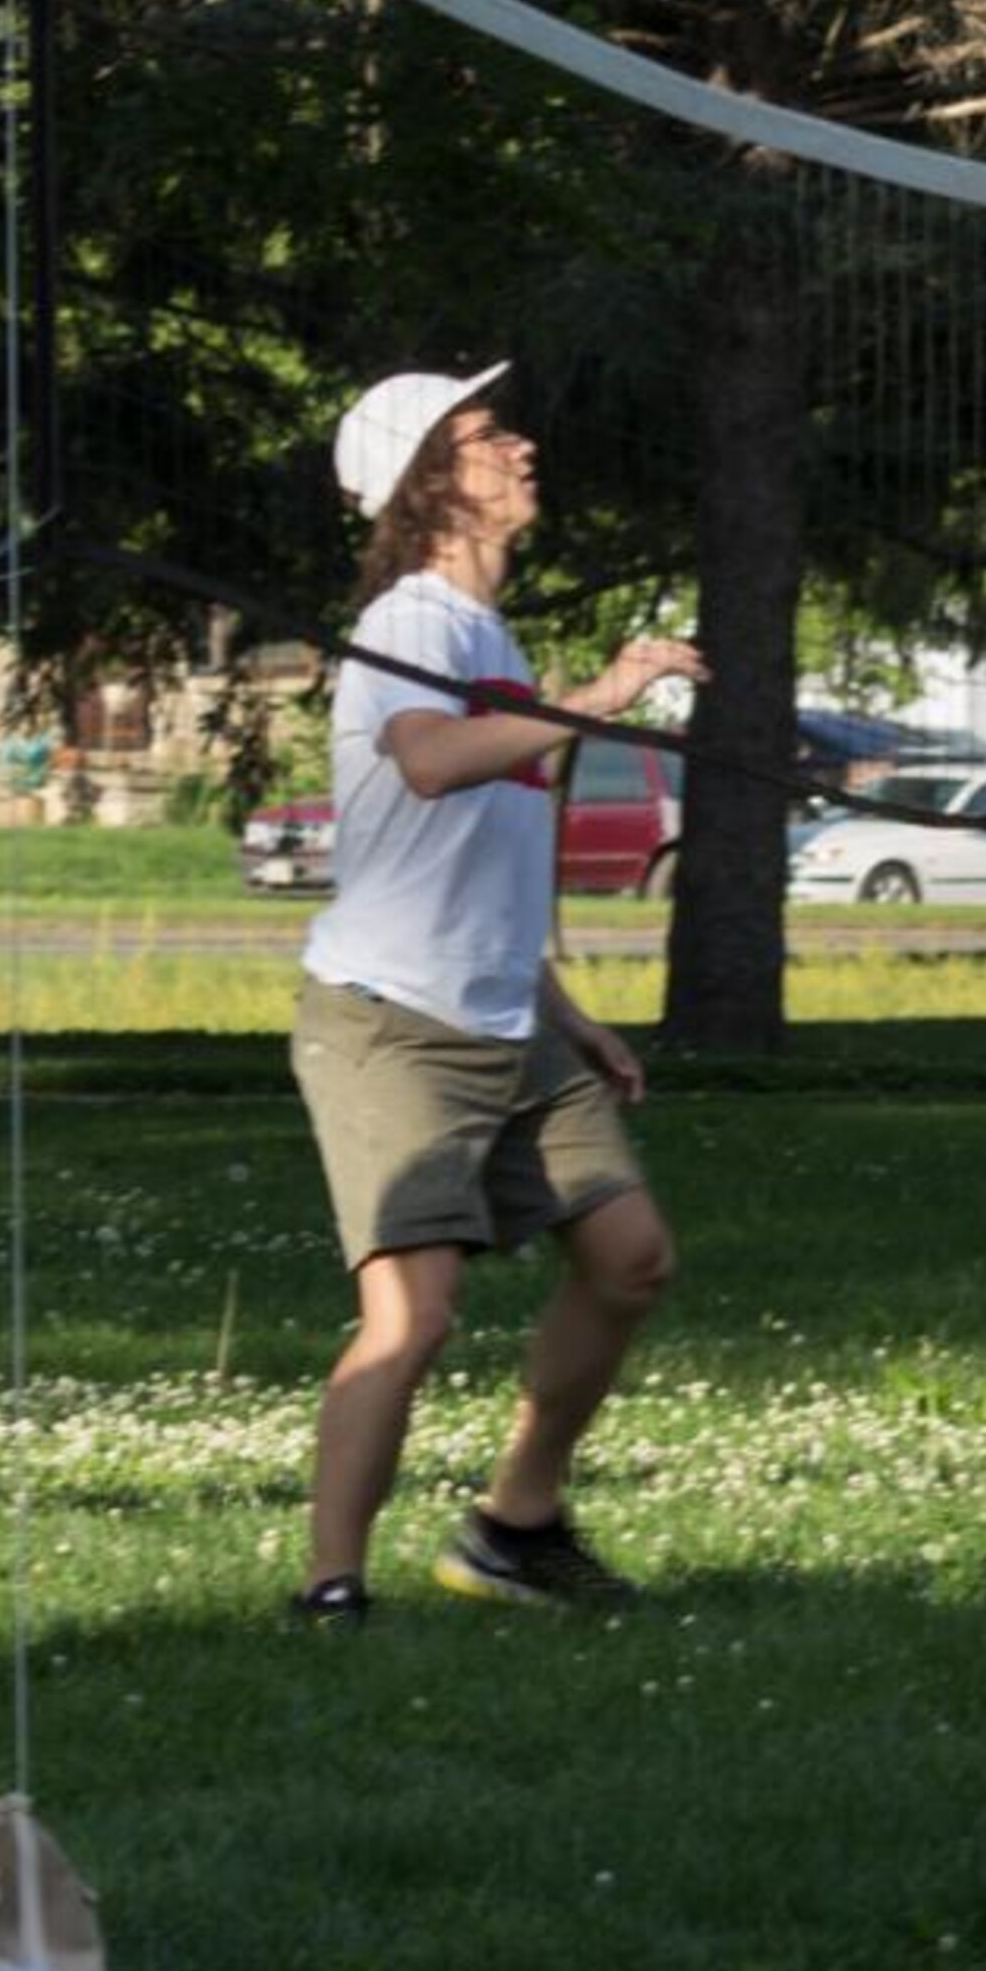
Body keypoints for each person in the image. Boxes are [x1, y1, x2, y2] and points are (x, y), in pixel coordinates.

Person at [284, 363, 704, 1624]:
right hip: (391, 1022)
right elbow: (426, 765)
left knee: (629, 1259)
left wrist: (563, 1007)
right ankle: (328, 1585)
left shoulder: (486, 635)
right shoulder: (414, 619)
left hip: (506, 1017)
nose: (520, 446)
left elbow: (479, 857)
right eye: (485, 436)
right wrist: (602, 697)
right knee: (410, 1319)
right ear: (426, 484)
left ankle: (515, 1525)